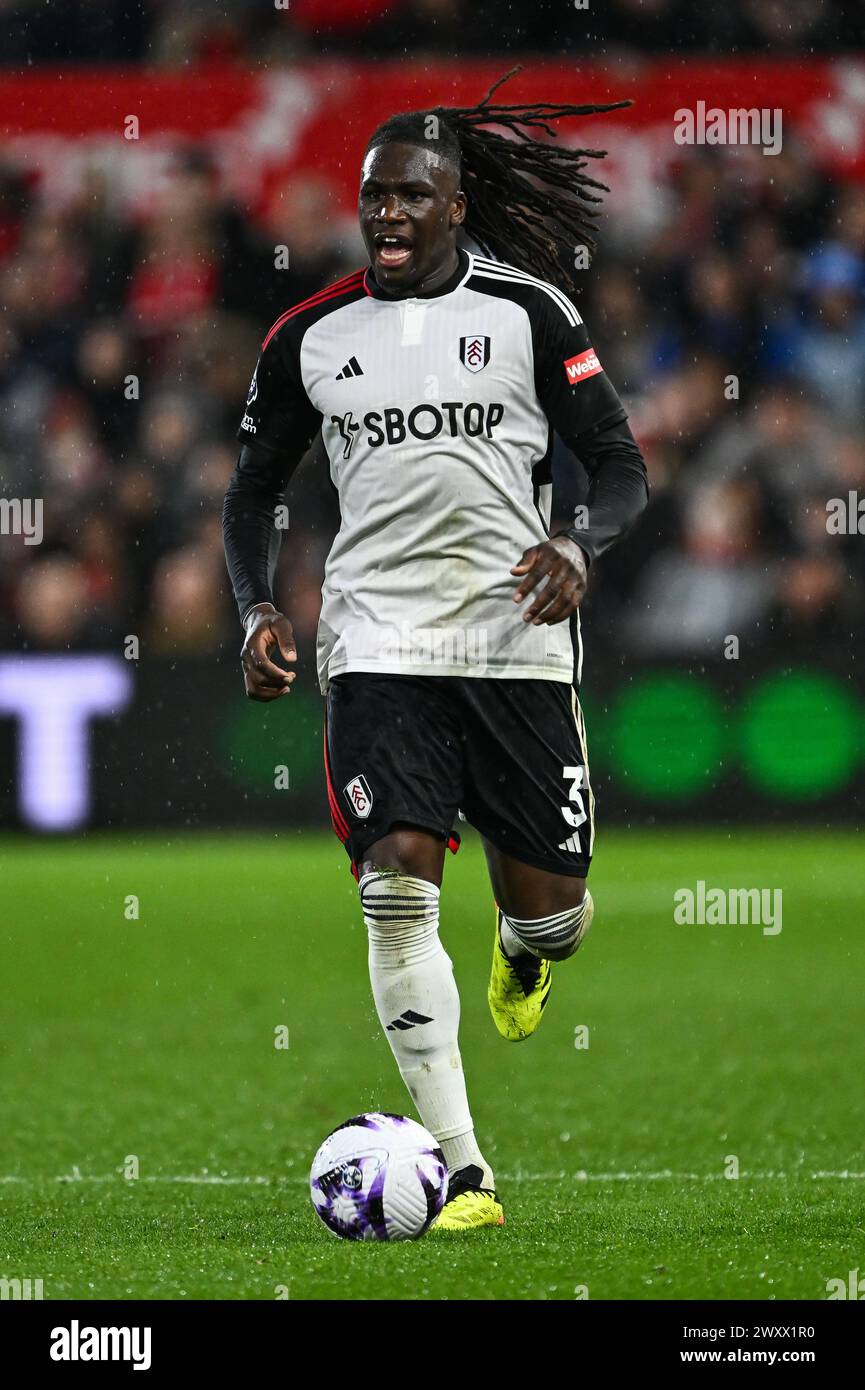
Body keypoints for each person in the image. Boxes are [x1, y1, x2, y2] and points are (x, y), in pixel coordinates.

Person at [223, 77, 648, 1230]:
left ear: (457, 203)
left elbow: (620, 465)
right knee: (396, 885)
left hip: (512, 638)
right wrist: (257, 606)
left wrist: (577, 542)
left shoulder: (530, 314)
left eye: (412, 196)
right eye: (373, 199)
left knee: (555, 907)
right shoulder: (310, 337)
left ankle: (526, 945)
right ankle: (464, 1170)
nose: (388, 217)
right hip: (378, 639)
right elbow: (251, 491)